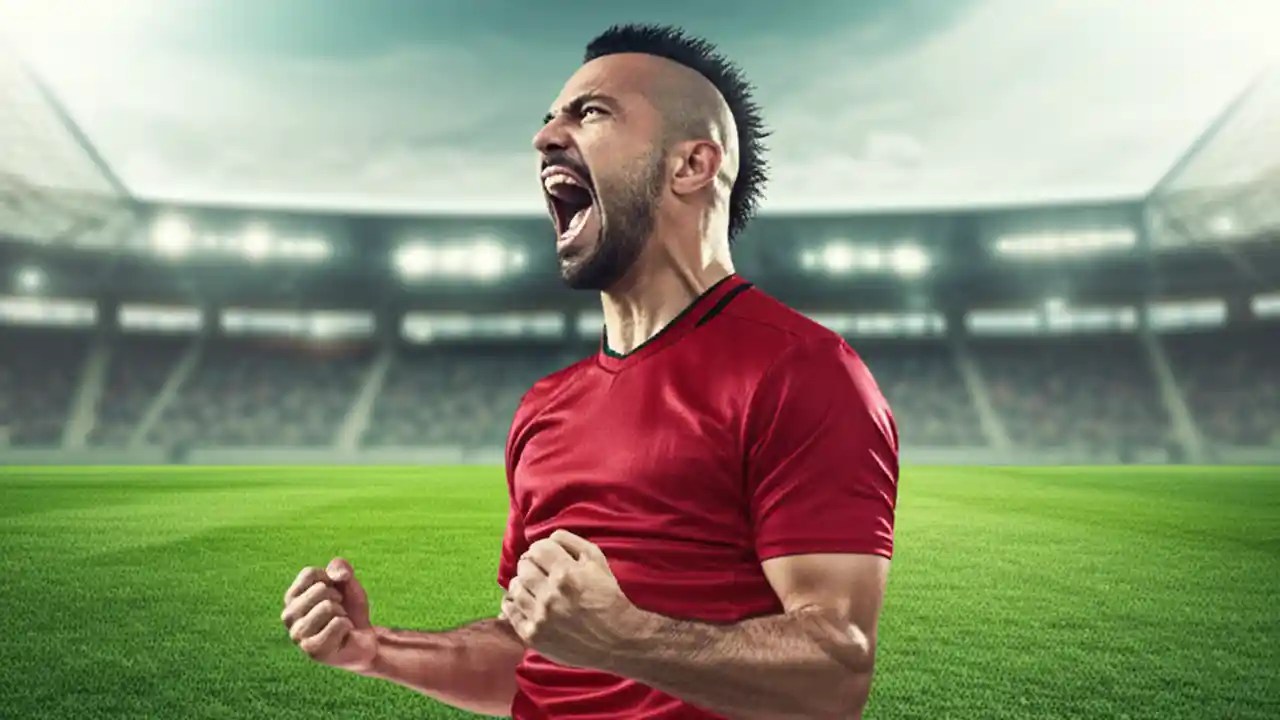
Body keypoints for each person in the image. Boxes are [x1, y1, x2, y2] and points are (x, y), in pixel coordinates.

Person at [282, 23, 899, 719]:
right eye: (548, 118)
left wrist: (626, 639)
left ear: (691, 165)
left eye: (591, 112)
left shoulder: (803, 372)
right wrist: (376, 650)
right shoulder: (545, 408)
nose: (546, 136)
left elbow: (836, 674)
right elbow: (533, 657)